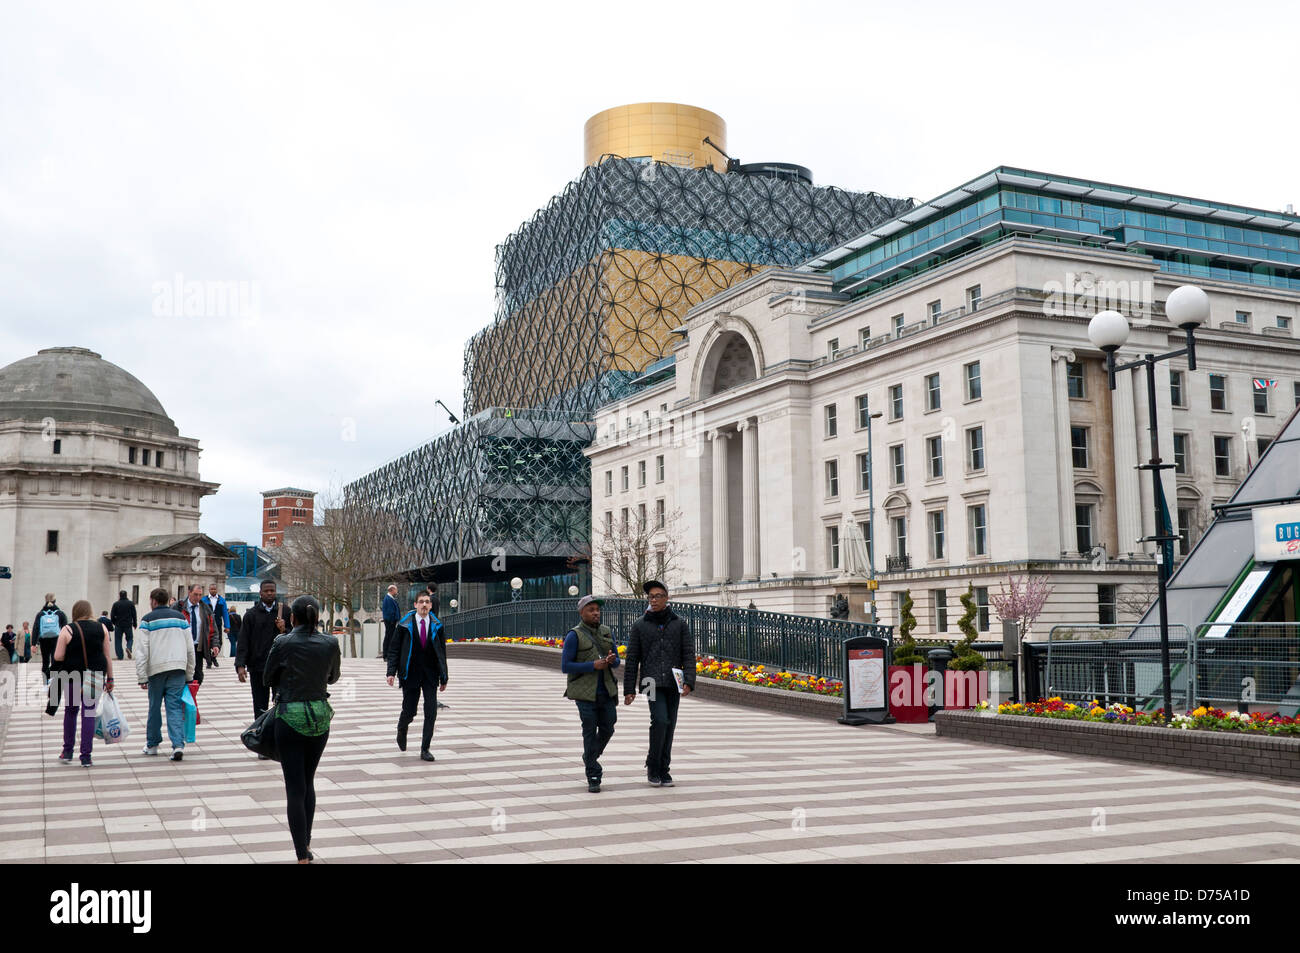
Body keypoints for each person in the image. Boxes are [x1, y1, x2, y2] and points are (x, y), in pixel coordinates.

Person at [265, 595, 341, 864]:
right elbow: (333, 677)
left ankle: (301, 854)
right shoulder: (330, 642)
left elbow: (267, 677)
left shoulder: (282, 642)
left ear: (292, 618)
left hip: (289, 717)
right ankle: (306, 844)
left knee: (294, 788)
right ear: (317, 617)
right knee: (308, 781)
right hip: (320, 716)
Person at [623, 580, 694, 787]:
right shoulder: (640, 625)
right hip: (650, 681)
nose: (653, 600)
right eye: (650, 597)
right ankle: (653, 766)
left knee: (670, 725)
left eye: (657, 596)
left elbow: (688, 655)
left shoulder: (679, 624)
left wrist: (689, 681)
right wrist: (629, 689)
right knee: (660, 720)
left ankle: (664, 769)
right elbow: (632, 659)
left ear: (666, 598)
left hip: (673, 682)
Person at [561, 595, 620, 793]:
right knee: (589, 730)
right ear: (581, 613)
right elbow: (565, 666)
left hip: (607, 691)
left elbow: (618, 661)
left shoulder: (606, 632)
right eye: (591, 609)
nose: (596, 612)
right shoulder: (573, 635)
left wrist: (612, 660)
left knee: (609, 727)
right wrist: (592, 665)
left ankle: (589, 756)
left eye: (597, 609)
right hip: (585, 693)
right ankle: (593, 774)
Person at [50, 599, 113, 767]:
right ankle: (86, 756)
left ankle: (68, 751)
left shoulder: (67, 629)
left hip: (73, 676)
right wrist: (111, 678)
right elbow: (107, 656)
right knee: (89, 713)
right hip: (95, 676)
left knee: (71, 712)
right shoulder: (102, 628)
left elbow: (58, 656)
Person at [385, 591, 446, 762]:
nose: (424, 605)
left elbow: (442, 652)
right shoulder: (404, 625)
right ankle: (402, 727)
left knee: (431, 711)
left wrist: (444, 676)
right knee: (410, 710)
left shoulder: (437, 625)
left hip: (430, 675)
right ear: (415, 605)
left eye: (427, 602)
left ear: (431, 605)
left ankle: (425, 748)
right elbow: (394, 649)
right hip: (410, 674)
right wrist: (391, 672)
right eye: (421, 602)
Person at [136, 587, 195, 760]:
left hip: (156, 670)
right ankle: (178, 744)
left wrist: (142, 676)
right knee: (175, 707)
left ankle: (152, 744)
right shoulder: (181, 618)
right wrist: (189, 673)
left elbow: (142, 651)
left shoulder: (147, 620)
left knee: (154, 707)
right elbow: (190, 648)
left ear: (153, 601)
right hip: (178, 668)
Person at [236, 579, 290, 725]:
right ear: (260, 593)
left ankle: (279, 730)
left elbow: (294, 636)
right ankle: (260, 731)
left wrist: (284, 629)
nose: (269, 593)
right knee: (259, 704)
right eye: (266, 591)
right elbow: (243, 641)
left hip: (280, 667)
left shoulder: (285, 611)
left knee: (281, 702)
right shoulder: (251, 615)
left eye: (272, 590)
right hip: (258, 666)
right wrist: (240, 665)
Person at [172, 585, 219, 685]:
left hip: (198, 648)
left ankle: (190, 697)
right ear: (189, 593)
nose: (197, 598)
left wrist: (215, 644)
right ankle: (183, 697)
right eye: (195, 595)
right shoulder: (178, 607)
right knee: (182, 675)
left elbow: (212, 629)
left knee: (198, 677)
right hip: (181, 647)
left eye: (200, 595)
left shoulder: (205, 608)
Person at [35, 594, 68, 685]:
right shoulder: (60, 613)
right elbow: (65, 627)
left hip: (43, 640)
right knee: (55, 660)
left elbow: (36, 628)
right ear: (55, 601)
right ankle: (54, 680)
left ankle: (45, 682)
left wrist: (33, 644)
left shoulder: (40, 614)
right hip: (56, 640)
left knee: (45, 661)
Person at [203, 583, 229, 668]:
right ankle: (209, 661)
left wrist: (227, 626)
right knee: (206, 643)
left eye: (214, 589)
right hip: (207, 625)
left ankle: (213, 657)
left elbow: (225, 614)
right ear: (209, 590)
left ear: (217, 590)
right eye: (211, 589)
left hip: (217, 624)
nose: (213, 590)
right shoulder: (204, 600)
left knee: (219, 643)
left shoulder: (221, 600)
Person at [110, 590, 138, 661]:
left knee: (118, 641)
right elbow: (134, 614)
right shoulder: (131, 604)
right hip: (128, 624)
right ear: (126, 595)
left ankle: (120, 656)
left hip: (118, 625)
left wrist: (114, 622)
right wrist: (135, 624)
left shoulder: (116, 604)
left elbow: (112, 615)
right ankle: (129, 647)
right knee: (130, 638)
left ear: (119, 595)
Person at [381, 584, 400, 660]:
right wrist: (392, 620)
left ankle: (387, 654)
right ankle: (386, 655)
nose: (397, 591)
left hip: (391, 621)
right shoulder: (388, 598)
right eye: (396, 590)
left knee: (390, 637)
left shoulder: (390, 598)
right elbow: (389, 611)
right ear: (392, 590)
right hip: (390, 621)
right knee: (389, 637)